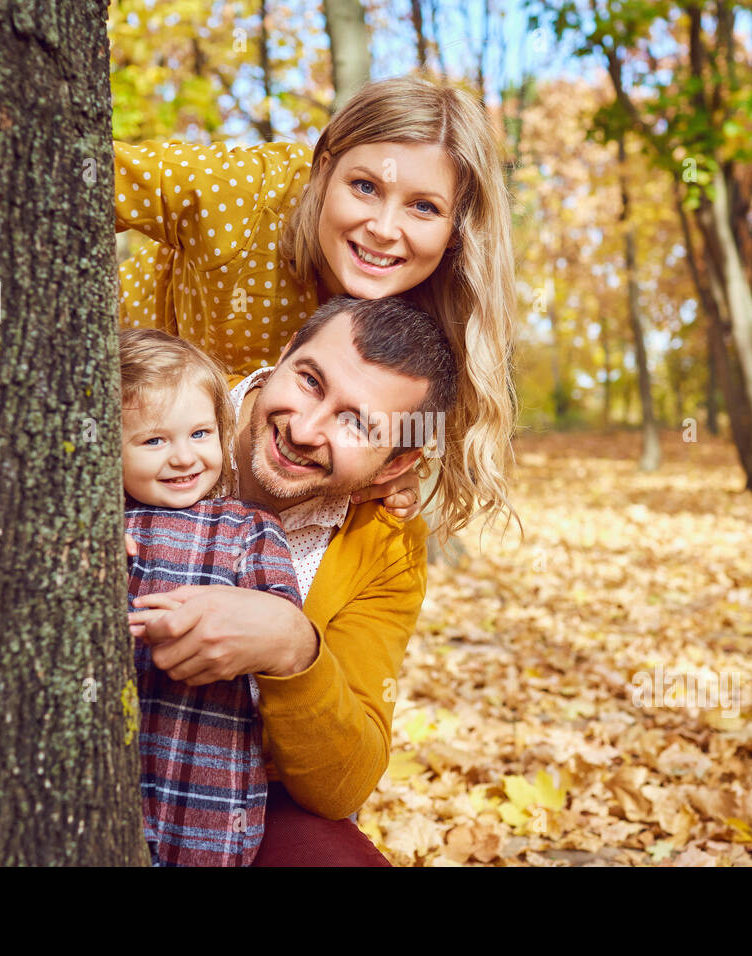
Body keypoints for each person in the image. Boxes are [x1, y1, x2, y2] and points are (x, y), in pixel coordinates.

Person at [114, 72, 518, 541]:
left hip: (211, 501)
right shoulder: (241, 193)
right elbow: (77, 173)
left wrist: (385, 468)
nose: (384, 228)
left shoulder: (434, 308)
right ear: (323, 170)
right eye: (365, 187)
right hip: (123, 406)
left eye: (424, 207)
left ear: (457, 229)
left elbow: (396, 431)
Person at [127, 294, 457, 865]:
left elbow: (343, 783)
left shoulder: (386, 543)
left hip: (234, 789)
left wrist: (292, 646)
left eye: (357, 424)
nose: (304, 430)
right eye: (308, 380)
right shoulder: (166, 394)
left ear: (396, 465)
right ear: (282, 356)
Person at [120, 329, 303, 866]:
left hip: (209, 766)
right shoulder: (106, 523)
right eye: (154, 441)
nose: (182, 457)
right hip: (125, 756)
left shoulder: (249, 529)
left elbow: (280, 620)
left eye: (199, 433)